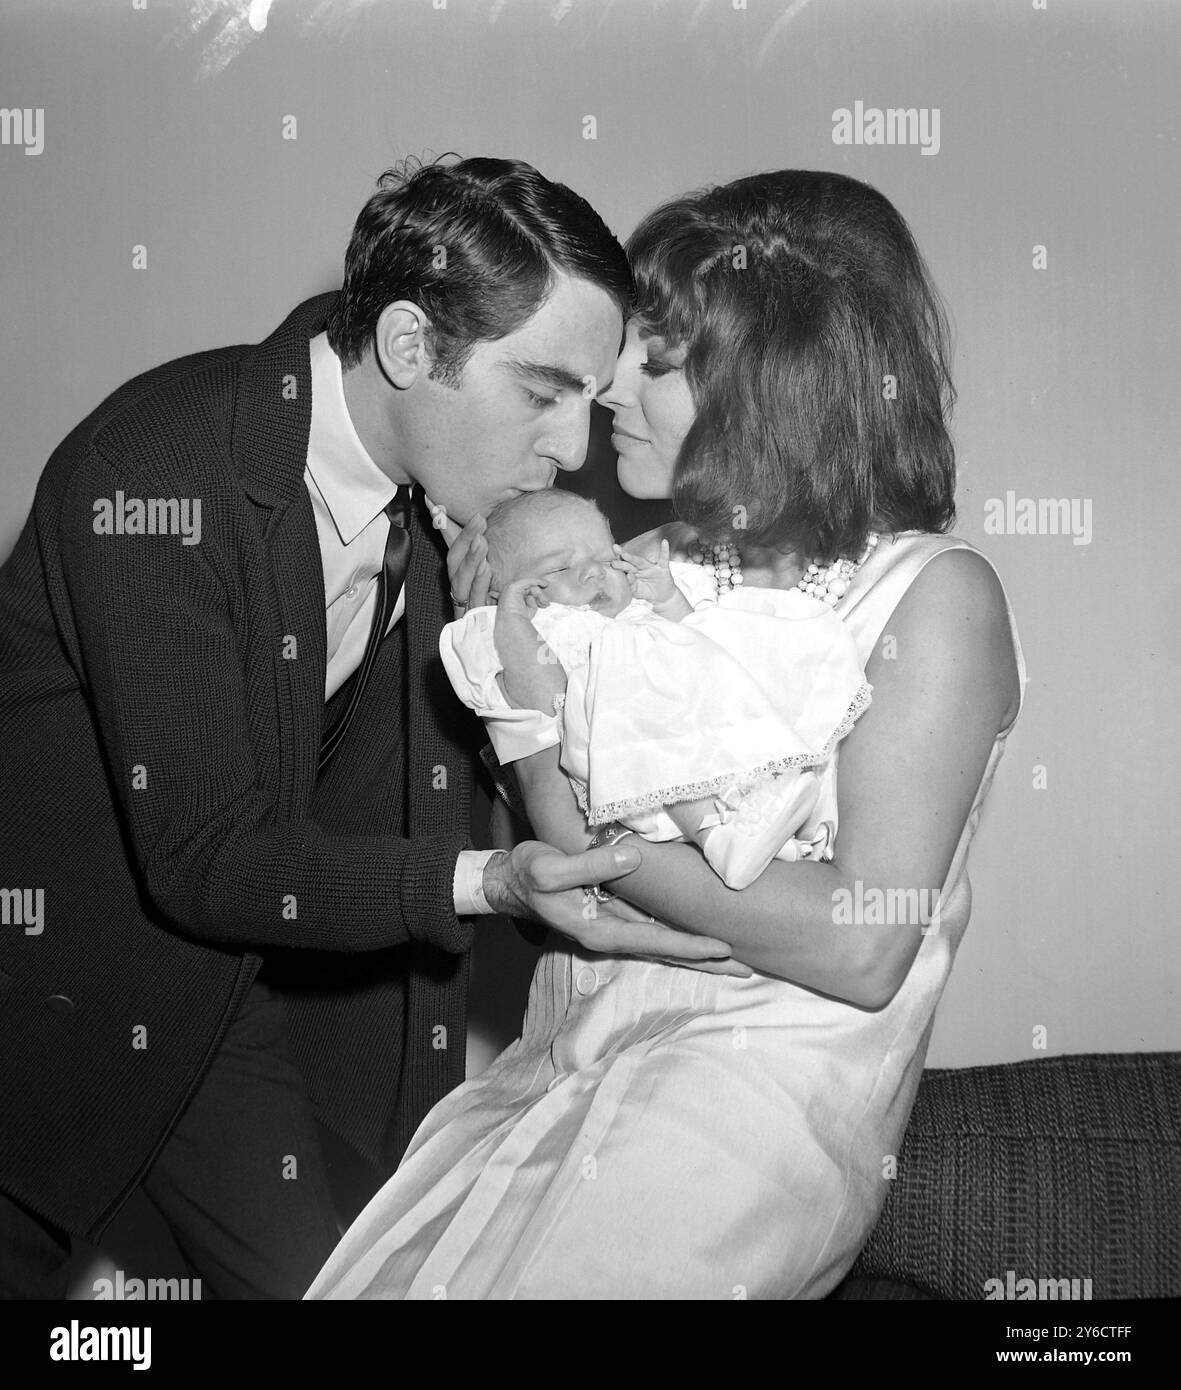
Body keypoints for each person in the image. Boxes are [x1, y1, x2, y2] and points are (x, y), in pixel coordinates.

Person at [0, 155, 735, 1300]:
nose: (575, 450)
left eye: (587, 404)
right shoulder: (151, 469)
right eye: (540, 391)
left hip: (235, 1010)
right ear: (404, 348)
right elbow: (207, 854)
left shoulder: (444, 508)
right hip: (47, 1000)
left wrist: (520, 640)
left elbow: (428, 792)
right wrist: (492, 882)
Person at [305, 168, 1025, 1301]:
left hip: (748, 1103)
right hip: (560, 1060)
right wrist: (499, 633)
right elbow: (559, 847)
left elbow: (857, 945)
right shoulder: (614, 571)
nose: (605, 398)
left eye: (655, 360)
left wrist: (632, 867)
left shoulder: (932, 599)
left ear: (770, 380)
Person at [439, 487, 872, 890]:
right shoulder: (544, 628)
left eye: (608, 559)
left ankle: (778, 823)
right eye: (560, 568)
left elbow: (697, 645)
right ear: (514, 592)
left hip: (709, 733)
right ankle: (717, 837)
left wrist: (665, 600)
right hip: (634, 762)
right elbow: (539, 696)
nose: (594, 573)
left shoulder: (633, 607)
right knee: (650, 716)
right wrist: (508, 621)